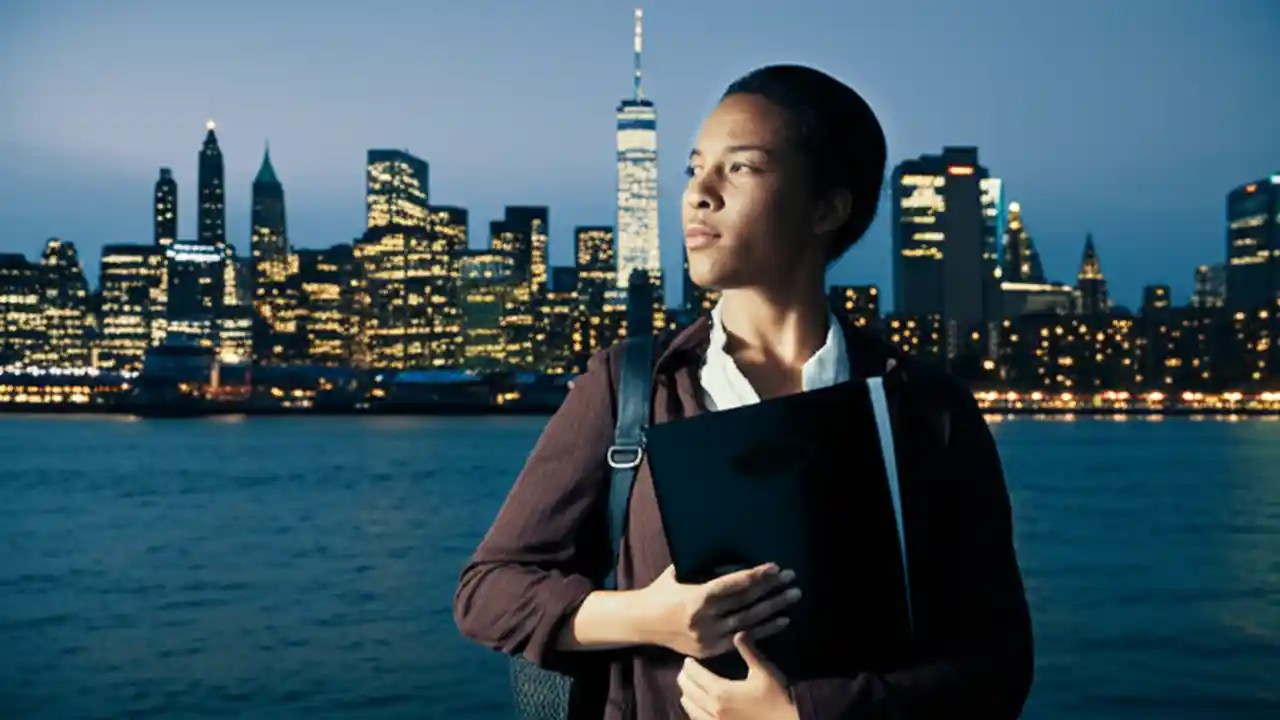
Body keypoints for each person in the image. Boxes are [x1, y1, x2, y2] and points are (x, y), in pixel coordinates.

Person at [454, 63, 1034, 719]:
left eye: (741, 168)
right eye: (695, 168)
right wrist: (646, 616)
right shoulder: (630, 386)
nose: (699, 193)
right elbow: (488, 591)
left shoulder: (925, 408)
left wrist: (801, 713)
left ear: (827, 207)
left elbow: (998, 664)